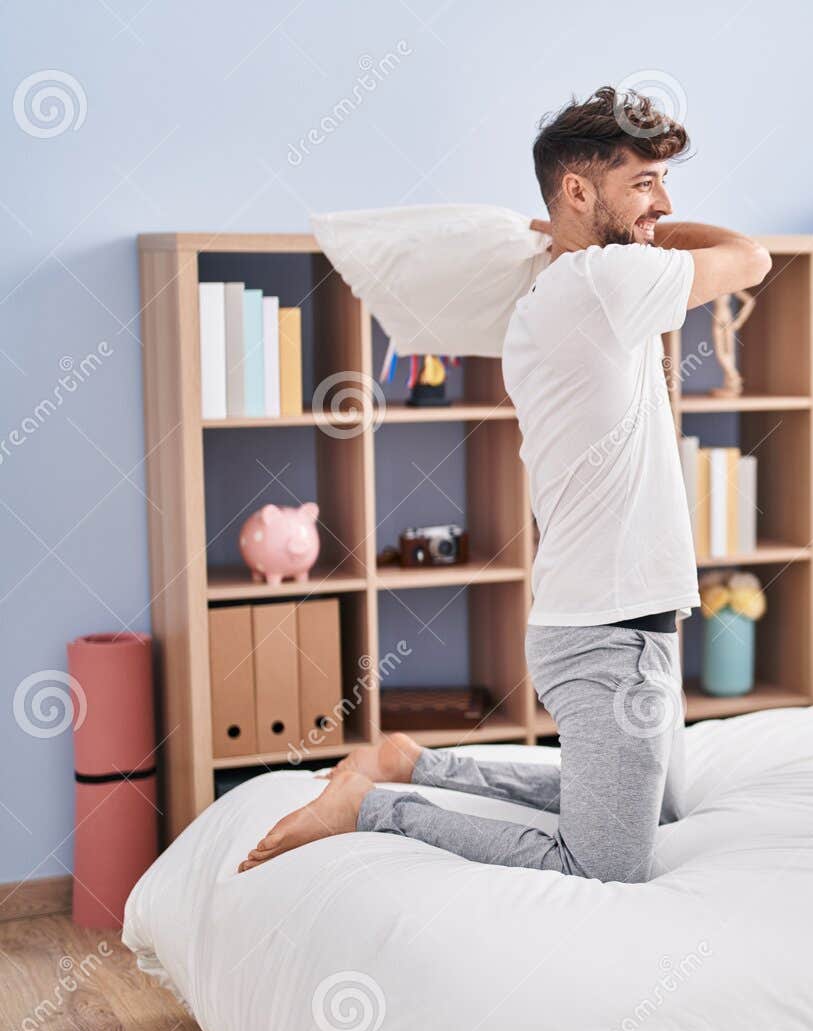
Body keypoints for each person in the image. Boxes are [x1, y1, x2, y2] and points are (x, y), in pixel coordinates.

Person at [241, 87, 770, 880]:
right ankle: (375, 805)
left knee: (661, 808)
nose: (663, 202)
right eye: (645, 182)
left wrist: (601, 231)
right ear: (578, 191)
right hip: (609, 632)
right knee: (602, 866)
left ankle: (413, 762)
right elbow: (750, 256)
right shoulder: (600, 284)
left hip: (618, 620)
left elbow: (670, 247)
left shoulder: (559, 284)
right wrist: (623, 239)